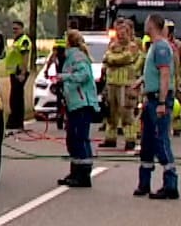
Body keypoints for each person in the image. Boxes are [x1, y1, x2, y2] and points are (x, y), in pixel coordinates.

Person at [135, 16, 180, 199]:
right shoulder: (154, 46)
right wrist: (141, 81)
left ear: (153, 25)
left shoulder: (161, 47)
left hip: (158, 100)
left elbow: (164, 74)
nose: (145, 25)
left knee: (161, 140)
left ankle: (170, 185)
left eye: (147, 22)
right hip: (150, 99)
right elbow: (154, 72)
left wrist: (162, 102)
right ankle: (144, 183)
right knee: (147, 142)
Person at [56, 30, 99, 187]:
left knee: (80, 138)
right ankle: (75, 171)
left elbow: (84, 75)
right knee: (72, 139)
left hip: (82, 103)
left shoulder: (77, 56)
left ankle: (84, 174)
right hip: (74, 103)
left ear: (69, 41)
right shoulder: (69, 57)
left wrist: (64, 77)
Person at [101, 19, 144, 151]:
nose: (120, 36)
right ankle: (110, 138)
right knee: (111, 113)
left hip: (126, 84)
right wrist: (112, 59)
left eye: (123, 33)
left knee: (126, 113)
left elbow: (126, 58)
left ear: (129, 33)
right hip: (112, 83)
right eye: (118, 33)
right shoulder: (112, 46)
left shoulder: (133, 46)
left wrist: (113, 59)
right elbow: (106, 58)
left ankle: (130, 139)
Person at [3, 21, 35, 130]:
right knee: (15, 97)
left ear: (22, 29)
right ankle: (15, 121)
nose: (14, 31)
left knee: (17, 98)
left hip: (20, 72)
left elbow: (25, 57)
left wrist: (22, 73)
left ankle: (17, 121)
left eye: (16, 29)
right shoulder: (17, 40)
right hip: (14, 72)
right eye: (13, 29)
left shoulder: (24, 40)